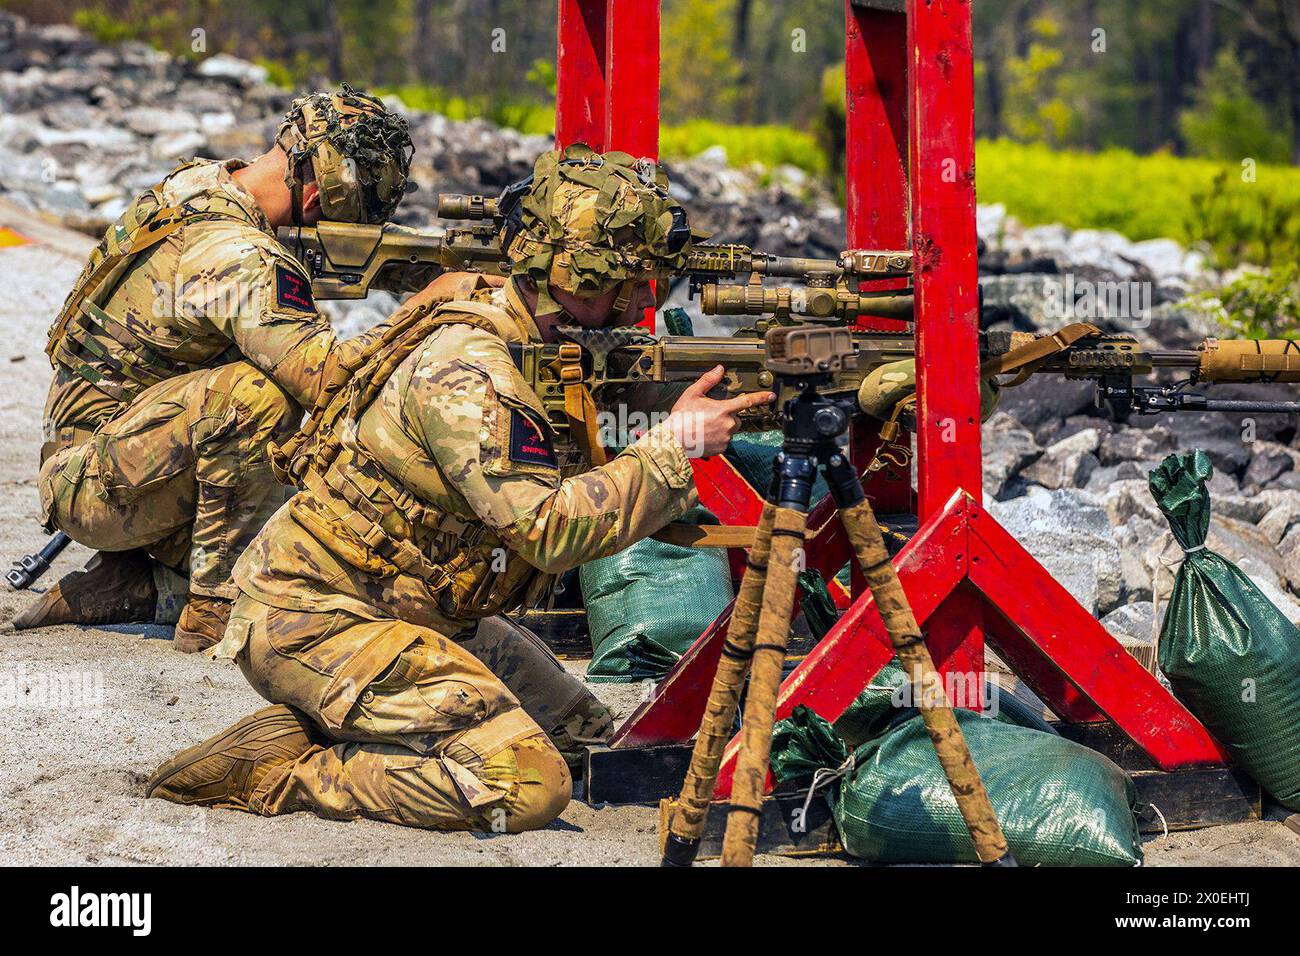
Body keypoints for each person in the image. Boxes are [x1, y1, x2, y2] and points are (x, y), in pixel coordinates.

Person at [146, 144, 774, 833]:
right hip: (316, 617)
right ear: (591, 280)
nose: (642, 301)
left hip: (415, 610)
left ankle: (331, 725)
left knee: (588, 742)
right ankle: (288, 775)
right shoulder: (468, 370)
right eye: (633, 284)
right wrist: (675, 447)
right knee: (528, 784)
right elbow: (551, 531)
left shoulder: (510, 321)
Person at [17, 85, 416, 651]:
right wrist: (427, 307)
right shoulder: (241, 256)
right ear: (317, 204)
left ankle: (139, 584)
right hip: (95, 485)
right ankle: (214, 605)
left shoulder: (203, 183)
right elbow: (330, 381)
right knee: (258, 399)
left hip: (105, 459)